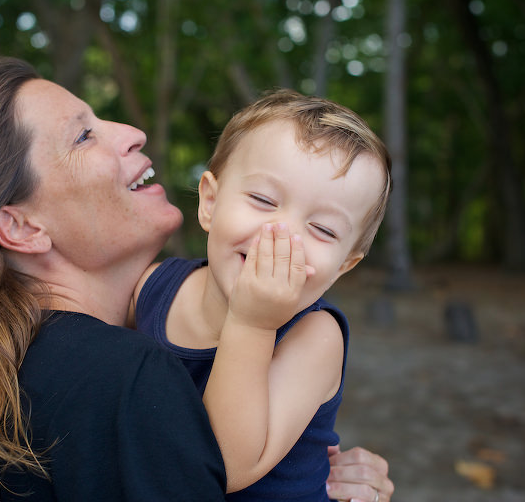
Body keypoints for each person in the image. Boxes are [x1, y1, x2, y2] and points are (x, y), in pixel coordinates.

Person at [0, 57, 393, 502]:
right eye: (83, 135)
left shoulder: (24, 359)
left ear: (348, 262)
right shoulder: (125, 375)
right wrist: (252, 323)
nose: (133, 133)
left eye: (322, 228)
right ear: (21, 225)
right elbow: (224, 462)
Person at [134, 90, 393, 502]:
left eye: (323, 229)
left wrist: (253, 322)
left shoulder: (314, 335)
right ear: (210, 202)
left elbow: (224, 466)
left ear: (343, 266)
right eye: (263, 199)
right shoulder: (153, 286)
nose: (283, 234)